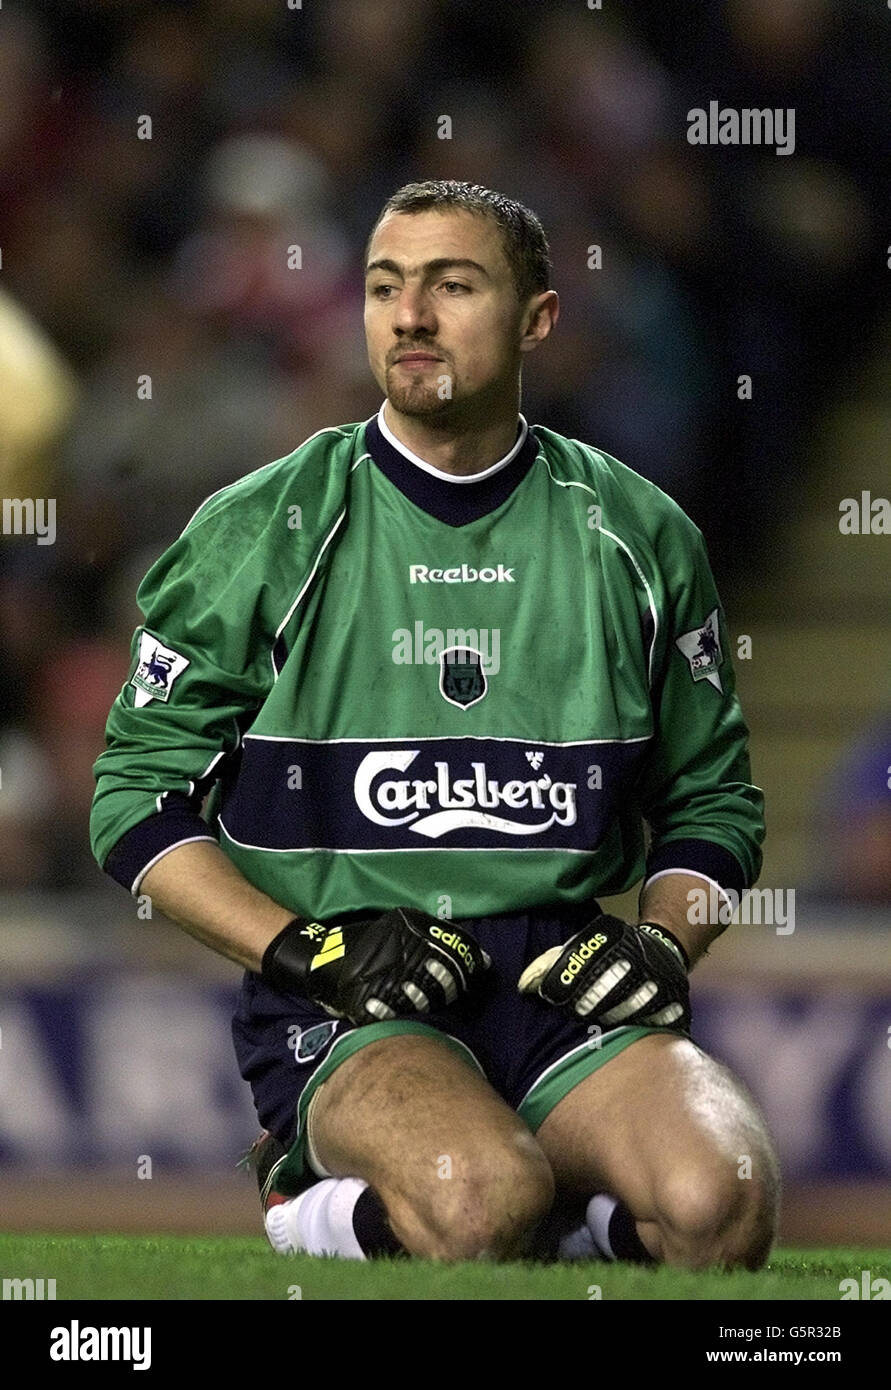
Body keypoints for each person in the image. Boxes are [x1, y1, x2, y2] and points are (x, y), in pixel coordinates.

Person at [91, 180, 778, 1269]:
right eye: (384, 287)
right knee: (476, 1198)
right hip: (349, 991)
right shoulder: (262, 528)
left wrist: (660, 942)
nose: (409, 315)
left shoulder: (640, 534)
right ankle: (308, 1207)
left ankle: (565, 1219)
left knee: (722, 1203)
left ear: (537, 319)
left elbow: (711, 802)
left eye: (451, 285)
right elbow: (133, 799)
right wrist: (304, 947)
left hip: (561, 980)